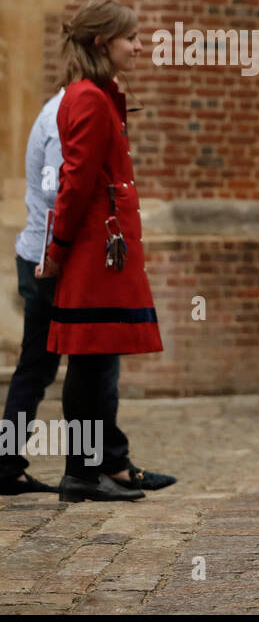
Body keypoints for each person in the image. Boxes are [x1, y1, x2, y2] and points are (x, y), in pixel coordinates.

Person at [2, 88, 174, 497]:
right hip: (51, 258)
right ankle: (93, 468)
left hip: (46, 253)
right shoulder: (73, 113)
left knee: (47, 365)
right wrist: (62, 255)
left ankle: (15, 463)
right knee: (88, 363)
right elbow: (61, 194)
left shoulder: (66, 107)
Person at [35, 0, 170, 503]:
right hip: (94, 250)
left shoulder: (99, 94)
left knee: (97, 362)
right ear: (101, 42)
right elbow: (75, 183)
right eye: (129, 38)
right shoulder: (89, 98)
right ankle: (81, 473)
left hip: (102, 248)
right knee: (89, 364)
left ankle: (96, 468)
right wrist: (60, 247)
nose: (138, 46)